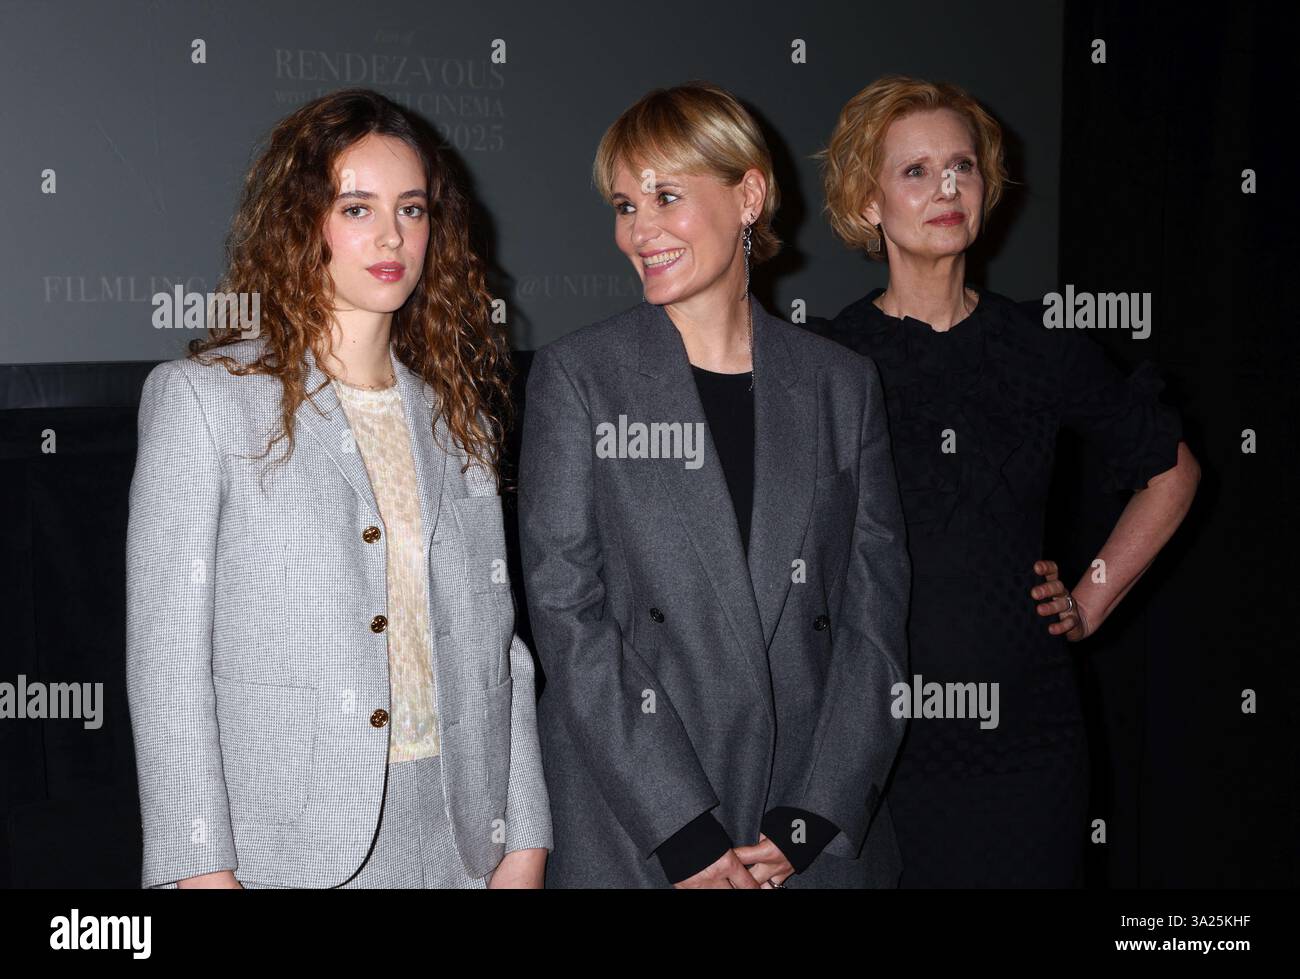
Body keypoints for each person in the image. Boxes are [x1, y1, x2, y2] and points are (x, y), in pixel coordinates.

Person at [126, 88, 551, 889]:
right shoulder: (203, 400)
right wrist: (200, 872)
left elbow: (501, 650)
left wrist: (524, 842)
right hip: (287, 853)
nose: (392, 235)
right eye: (357, 208)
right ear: (299, 222)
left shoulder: (459, 421)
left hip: (465, 846)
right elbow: (167, 667)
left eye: (413, 209)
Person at [809, 74, 1200, 886]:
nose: (947, 187)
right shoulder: (829, 362)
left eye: (963, 166)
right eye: (915, 171)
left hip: (1030, 739)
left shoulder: (1040, 345)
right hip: (880, 745)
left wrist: (1090, 595)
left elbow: (1170, 471)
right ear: (867, 201)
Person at [519, 82, 910, 888]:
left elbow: (875, 618)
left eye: (667, 195)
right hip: (640, 828)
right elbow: (569, 619)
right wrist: (683, 830)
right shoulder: (579, 378)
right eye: (626, 204)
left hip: (804, 830)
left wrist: (816, 810)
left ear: (749, 196)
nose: (640, 229)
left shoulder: (842, 383)